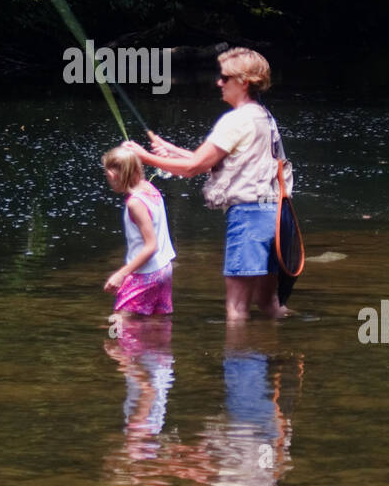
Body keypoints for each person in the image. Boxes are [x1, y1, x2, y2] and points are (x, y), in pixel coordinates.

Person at [123, 47, 292, 323]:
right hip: (277, 215)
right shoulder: (263, 116)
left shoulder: (235, 120)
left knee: (236, 310)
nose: (219, 82)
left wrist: (144, 157)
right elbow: (214, 161)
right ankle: (290, 352)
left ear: (244, 81)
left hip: (249, 217)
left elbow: (194, 168)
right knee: (269, 304)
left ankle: (242, 365)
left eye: (225, 77)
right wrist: (169, 150)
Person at [102, 146, 176, 318]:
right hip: (164, 269)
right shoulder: (150, 188)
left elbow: (151, 246)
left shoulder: (135, 203)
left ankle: (115, 345)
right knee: (157, 323)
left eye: (108, 175)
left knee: (118, 322)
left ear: (113, 175)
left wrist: (121, 274)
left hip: (146, 273)